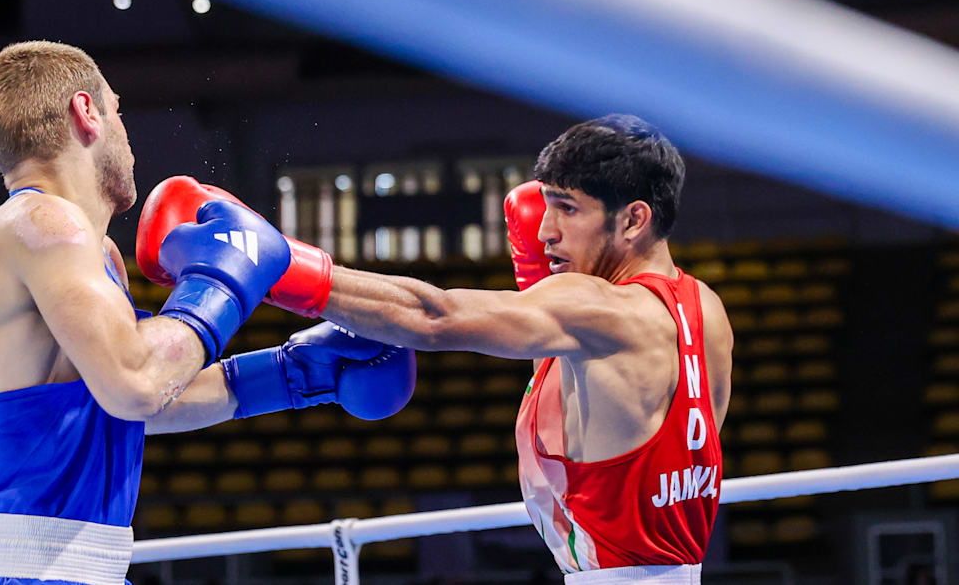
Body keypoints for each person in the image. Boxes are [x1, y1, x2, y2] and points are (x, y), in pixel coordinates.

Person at [146, 114, 731, 584]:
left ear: (634, 220)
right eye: (548, 206)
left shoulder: (599, 310)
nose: (547, 230)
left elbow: (433, 317)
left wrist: (269, 262)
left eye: (568, 209)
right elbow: (608, 427)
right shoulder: (703, 309)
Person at [0, 41, 414, 585]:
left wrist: (290, 374)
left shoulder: (82, 250)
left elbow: (137, 402)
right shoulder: (46, 223)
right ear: (87, 113)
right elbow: (137, 384)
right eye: (118, 110)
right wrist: (222, 277)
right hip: (36, 571)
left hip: (75, 569)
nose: (128, 136)